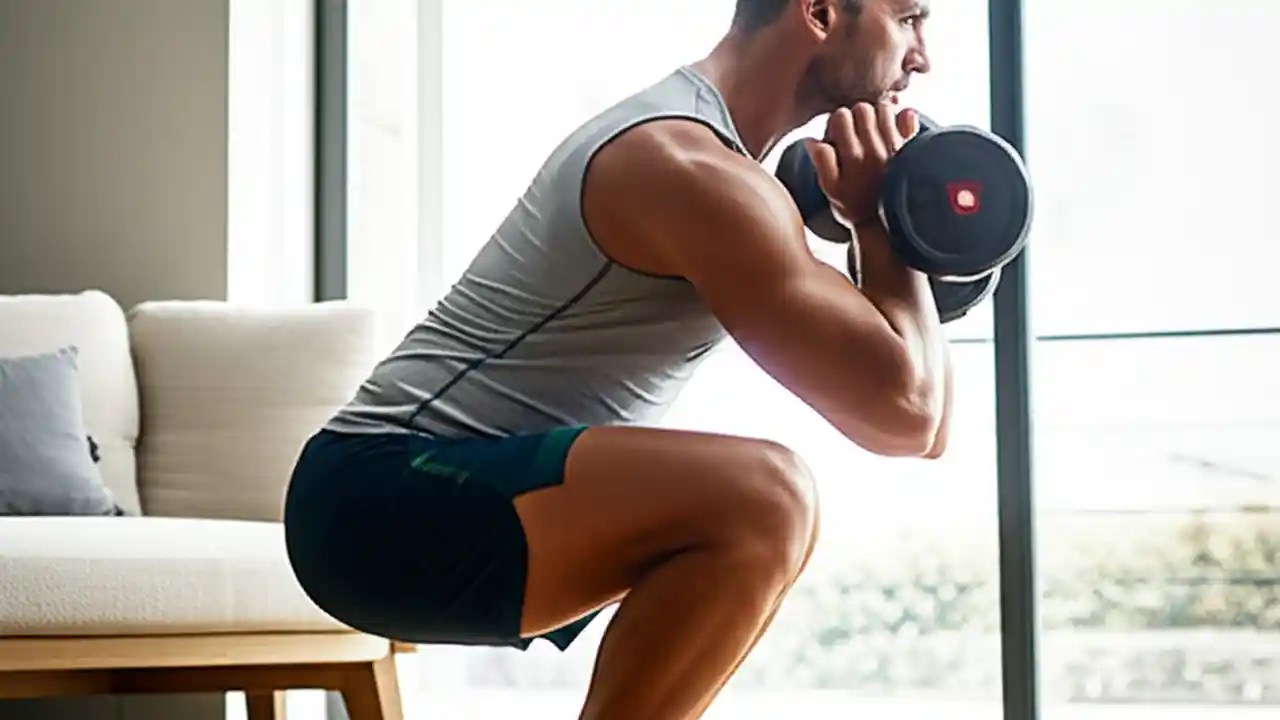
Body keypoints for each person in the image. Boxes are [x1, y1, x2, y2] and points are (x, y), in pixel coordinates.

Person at [282, 0, 950, 717]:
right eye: (908, 17)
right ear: (818, 11)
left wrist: (884, 226)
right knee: (766, 499)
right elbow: (906, 415)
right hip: (375, 498)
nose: (922, 57)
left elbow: (930, 425)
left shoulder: (725, 168)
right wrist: (876, 220)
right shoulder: (685, 167)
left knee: (761, 506)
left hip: (435, 493)